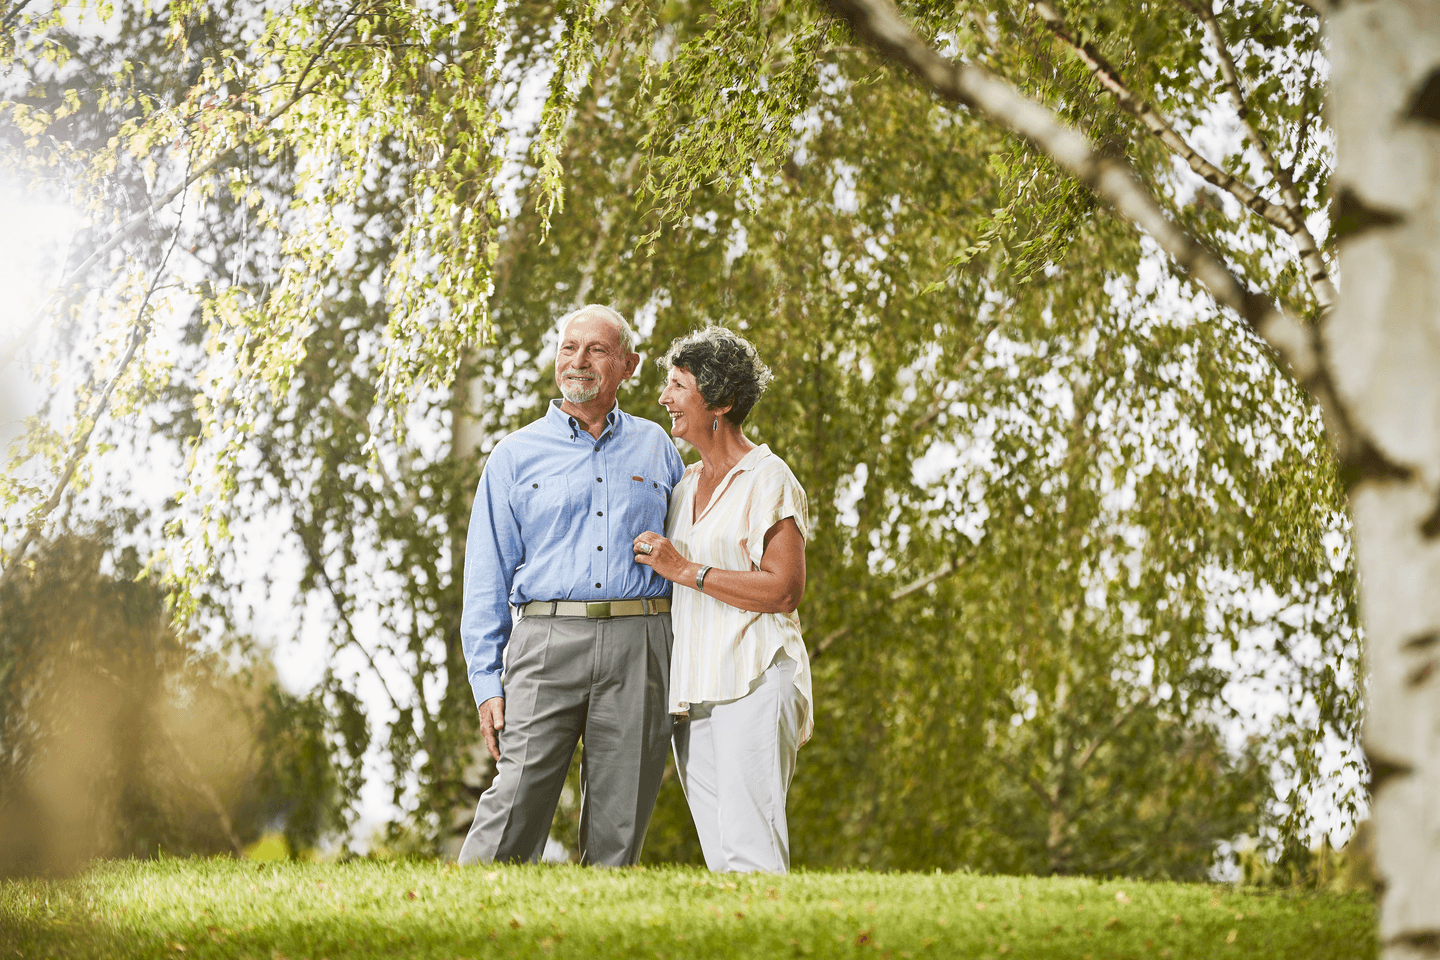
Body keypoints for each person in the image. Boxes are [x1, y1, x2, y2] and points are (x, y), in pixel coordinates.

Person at [456, 304, 685, 867]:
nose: (578, 361)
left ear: (628, 366)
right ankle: (458, 929)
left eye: (597, 350)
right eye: (568, 347)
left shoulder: (658, 447)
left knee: (619, 826)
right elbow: (486, 575)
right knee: (511, 808)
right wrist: (487, 682)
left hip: (641, 641)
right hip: (545, 641)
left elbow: (687, 553)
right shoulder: (514, 455)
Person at [631, 326, 812, 874]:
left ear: (721, 402)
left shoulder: (768, 478)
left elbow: (784, 589)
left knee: (752, 852)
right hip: (695, 692)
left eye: (679, 386)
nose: (664, 398)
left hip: (754, 678)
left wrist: (687, 570)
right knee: (721, 858)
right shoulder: (682, 487)